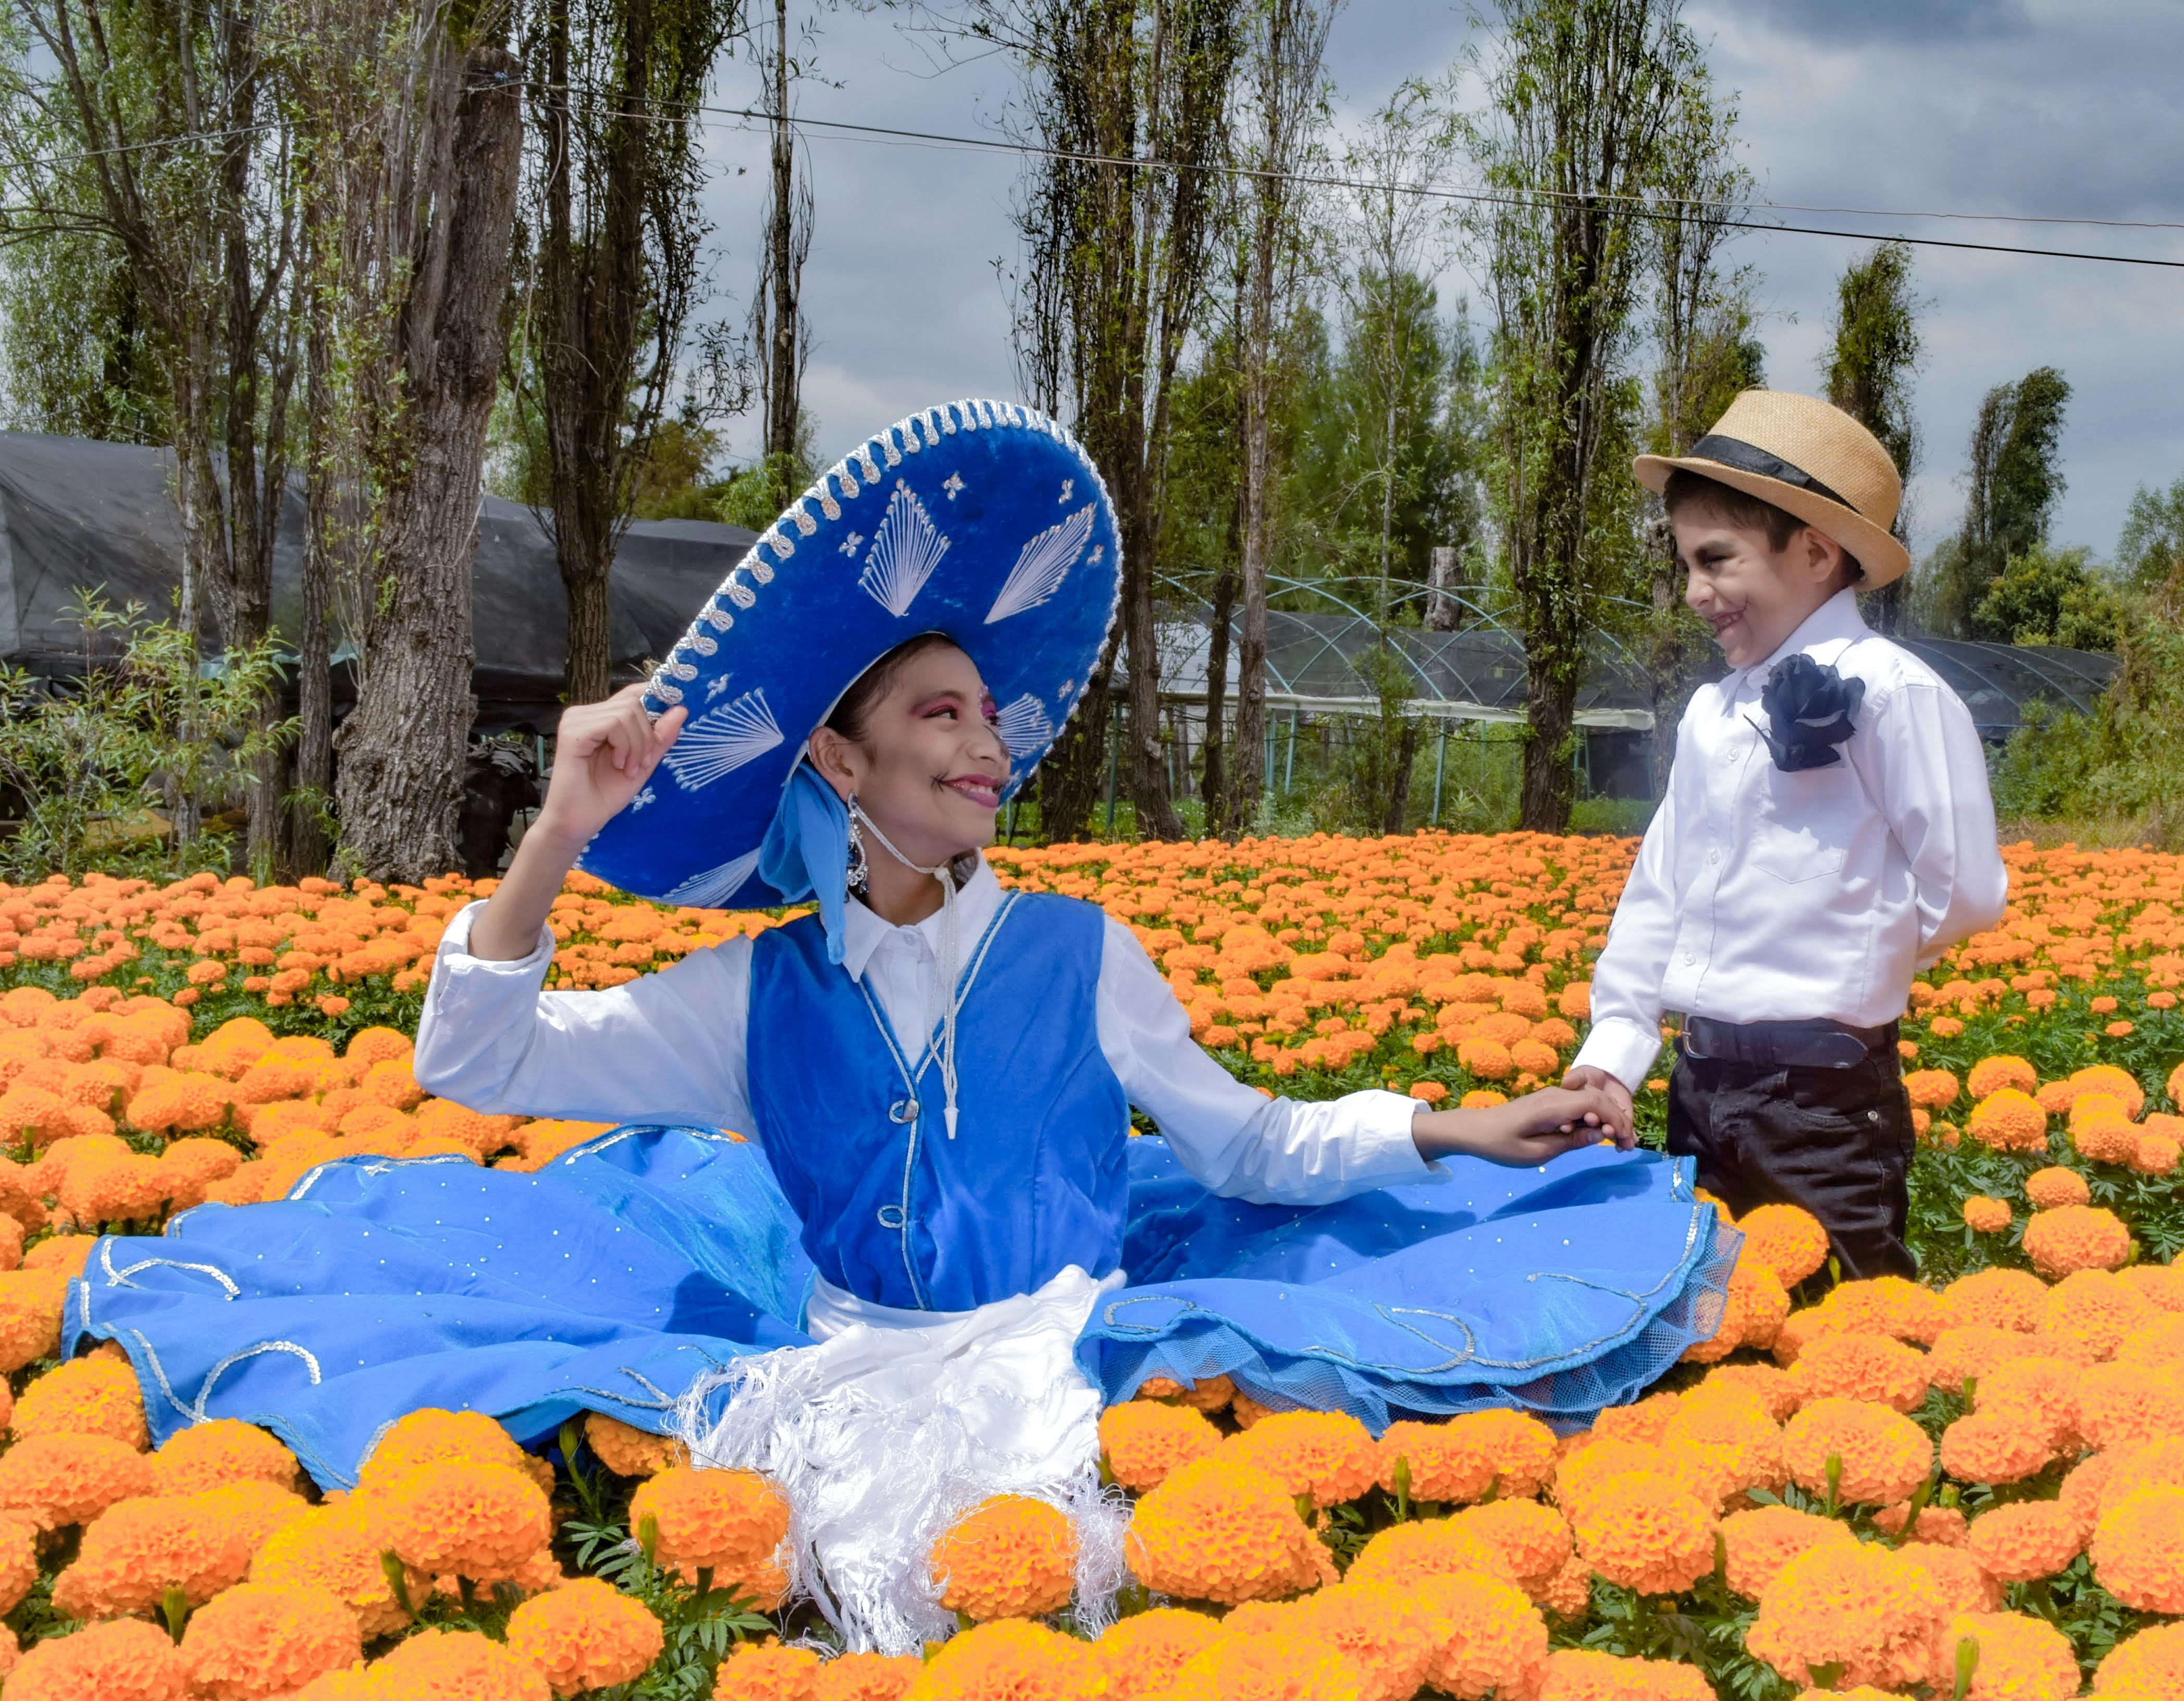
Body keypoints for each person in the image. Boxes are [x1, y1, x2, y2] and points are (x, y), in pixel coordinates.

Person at [73, 400, 1735, 1654]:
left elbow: (1249, 1144)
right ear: (841, 772)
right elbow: (476, 1063)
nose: (985, 743)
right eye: (937, 716)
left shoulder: (1082, 954)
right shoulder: (754, 993)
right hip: (835, 1369)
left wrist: (1461, 1128)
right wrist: (559, 829)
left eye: (990, 718)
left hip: (1055, 1358)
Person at [1566, 390, 2007, 1287]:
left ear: (1813, 549)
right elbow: (1660, 891)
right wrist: (1614, 1052)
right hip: (1700, 1087)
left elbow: (1965, 890)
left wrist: (1843, 961)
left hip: (1824, 1104)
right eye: (1687, 563)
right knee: (1702, 1330)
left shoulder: (1893, 693)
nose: (1695, 593)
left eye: (1716, 560)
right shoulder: (1709, 711)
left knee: (1842, 1321)